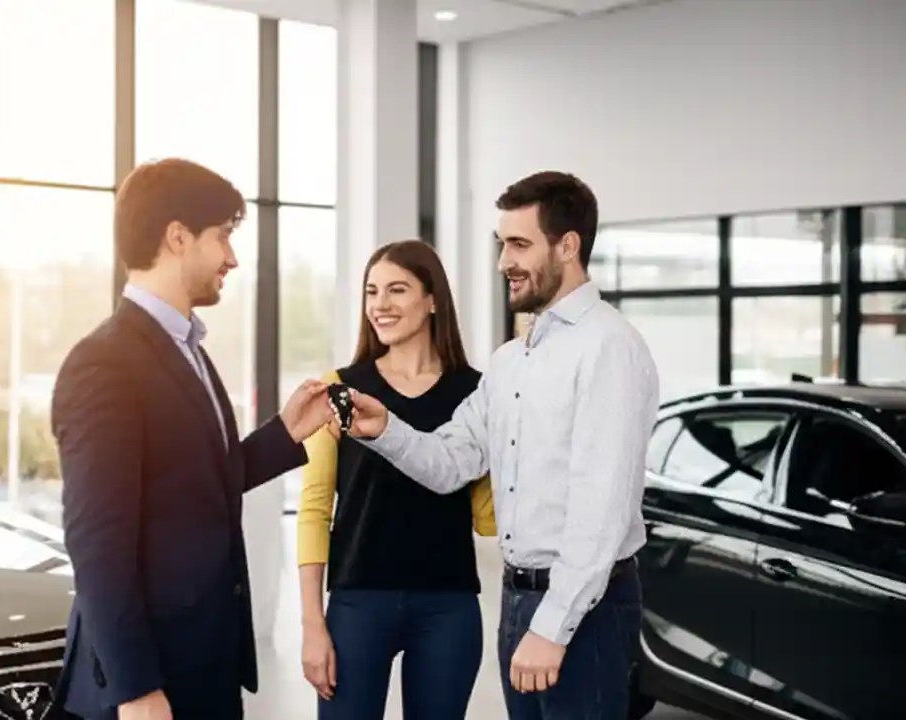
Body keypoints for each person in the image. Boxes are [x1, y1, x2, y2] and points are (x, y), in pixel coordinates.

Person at [341, 171, 660, 720]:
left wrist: (552, 627)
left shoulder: (609, 348)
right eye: (501, 245)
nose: (502, 263)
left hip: (584, 606)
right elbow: (451, 461)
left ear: (568, 246)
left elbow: (599, 510)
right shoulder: (515, 359)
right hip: (519, 599)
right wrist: (386, 428)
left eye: (518, 245)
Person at [51, 158, 334, 720]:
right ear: (177, 237)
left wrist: (284, 434)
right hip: (150, 683)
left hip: (202, 664)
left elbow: (197, 480)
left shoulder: (188, 349)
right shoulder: (103, 364)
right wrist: (135, 689)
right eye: (223, 237)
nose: (231, 257)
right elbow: (96, 542)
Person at [296, 240, 497, 720]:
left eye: (397, 290)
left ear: (432, 301)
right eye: (372, 292)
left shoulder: (478, 392)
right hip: (358, 602)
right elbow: (315, 508)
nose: (380, 305)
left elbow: (487, 518)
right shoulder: (339, 389)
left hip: (448, 607)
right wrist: (312, 625)